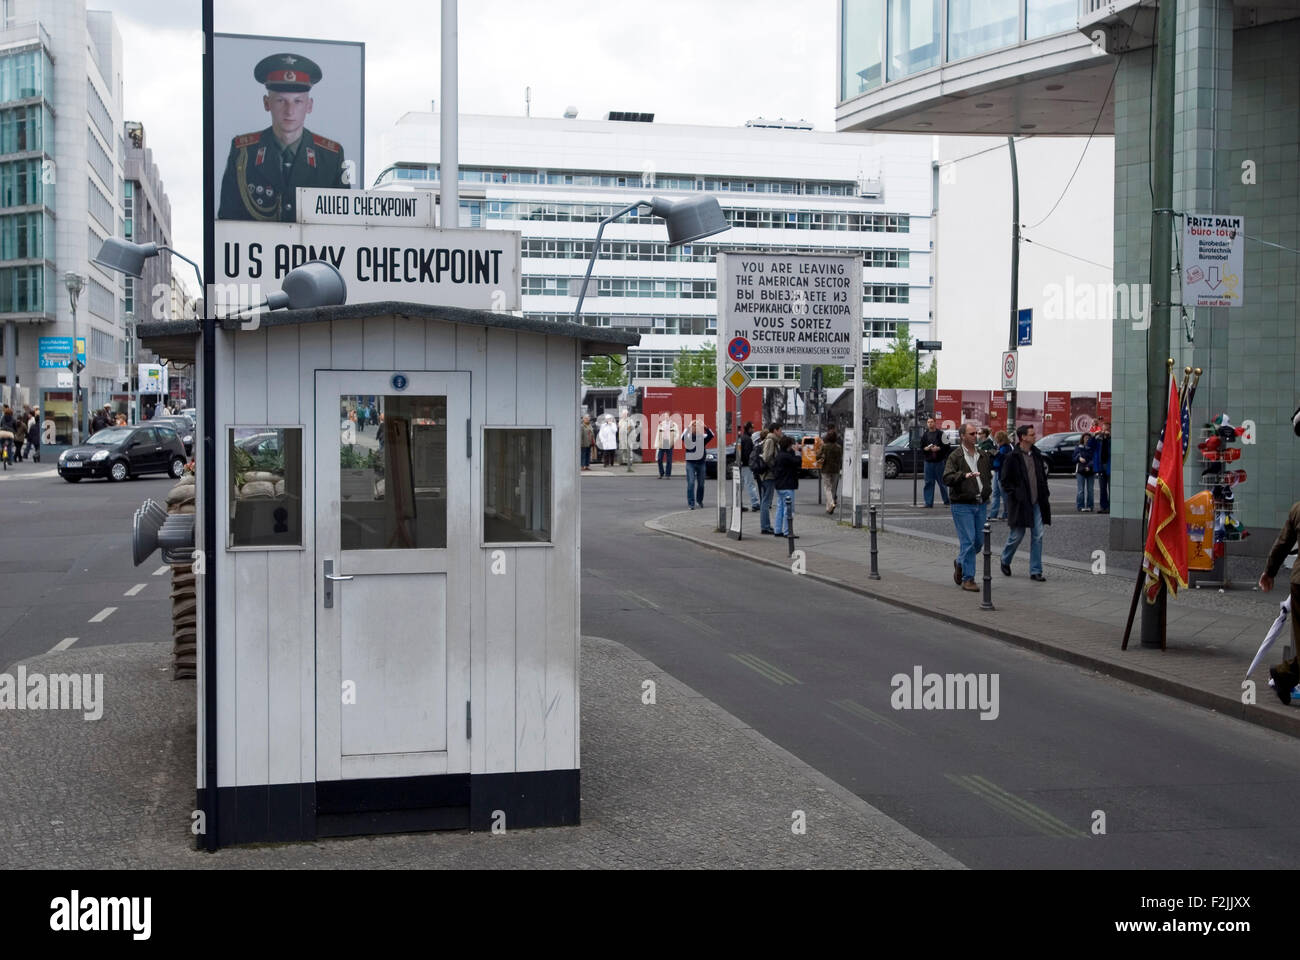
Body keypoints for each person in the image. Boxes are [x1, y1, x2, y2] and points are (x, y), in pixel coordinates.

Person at [218, 53, 349, 222]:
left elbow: (344, 222)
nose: (289, 111)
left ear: (309, 106)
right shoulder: (243, 152)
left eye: (298, 101)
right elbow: (228, 220)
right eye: (281, 100)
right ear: (267, 103)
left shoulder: (331, 157)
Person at [1258, 501, 1300, 703]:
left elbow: (1283, 543)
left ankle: (1284, 676)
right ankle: (1283, 676)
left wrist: (1270, 571)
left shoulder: (1297, 509)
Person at [944, 422, 993, 592]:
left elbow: (987, 476)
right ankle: (968, 579)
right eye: (972, 434)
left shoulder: (983, 455)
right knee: (969, 541)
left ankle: (960, 562)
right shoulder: (955, 456)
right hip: (962, 503)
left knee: (978, 543)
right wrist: (963, 476)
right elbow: (947, 477)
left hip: (980, 503)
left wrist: (988, 489)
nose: (976, 436)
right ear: (963, 436)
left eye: (977, 433)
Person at [999, 424, 1052, 581]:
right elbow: (1005, 481)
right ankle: (1005, 559)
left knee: (1038, 535)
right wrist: (1016, 494)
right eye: (1031, 434)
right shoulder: (1012, 457)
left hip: (1037, 502)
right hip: (1021, 503)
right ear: (1023, 437)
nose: (1034, 436)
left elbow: (1041, 476)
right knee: (1017, 535)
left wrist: (1045, 492)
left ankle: (1035, 571)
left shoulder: (1036, 455)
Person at [771, 434, 802, 537]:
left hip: (780, 485)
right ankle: (787, 531)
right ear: (789, 445)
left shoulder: (780, 455)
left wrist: (793, 451)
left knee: (780, 508)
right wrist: (797, 451)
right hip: (787, 485)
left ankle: (778, 529)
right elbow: (797, 462)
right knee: (789, 510)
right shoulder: (786, 457)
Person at [681, 418, 714, 510]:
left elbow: (711, 435)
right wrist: (688, 426)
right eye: (694, 426)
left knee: (701, 484)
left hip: (701, 463)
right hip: (690, 463)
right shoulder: (688, 437)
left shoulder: (702, 437)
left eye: (697, 426)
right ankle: (691, 504)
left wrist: (705, 426)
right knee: (691, 483)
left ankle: (699, 501)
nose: (695, 428)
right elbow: (682, 436)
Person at [920, 417, 951, 508]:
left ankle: (946, 501)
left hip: (939, 462)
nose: (930, 424)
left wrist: (939, 448)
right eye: (928, 422)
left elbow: (948, 446)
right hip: (928, 462)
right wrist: (926, 449)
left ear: (935, 423)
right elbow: (921, 447)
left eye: (931, 422)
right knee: (928, 483)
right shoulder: (925, 435)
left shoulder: (941, 434)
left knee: (942, 482)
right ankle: (928, 503)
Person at [817, 427, 844, 515]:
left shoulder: (824, 446)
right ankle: (829, 508)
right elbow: (840, 458)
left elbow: (818, 456)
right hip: (836, 469)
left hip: (826, 469)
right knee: (833, 489)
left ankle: (831, 503)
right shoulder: (838, 447)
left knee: (827, 487)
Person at [737, 421, 760, 512]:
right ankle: (755, 503)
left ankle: (738, 504)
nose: (753, 430)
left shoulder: (741, 438)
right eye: (752, 428)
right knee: (750, 484)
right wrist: (751, 464)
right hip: (746, 465)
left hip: (740, 464)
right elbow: (747, 454)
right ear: (749, 429)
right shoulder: (748, 439)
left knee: (740, 485)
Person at [989, 430, 1011, 521]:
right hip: (998, 471)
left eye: (997, 437)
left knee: (1004, 494)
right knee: (995, 493)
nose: (996, 439)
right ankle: (993, 514)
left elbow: (1003, 458)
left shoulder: (1006, 447)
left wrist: (995, 454)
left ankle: (1007, 514)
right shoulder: (1001, 446)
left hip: (1002, 472)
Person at [1074, 430, 1097, 512]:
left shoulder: (1092, 448)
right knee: (1081, 490)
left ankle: (1090, 506)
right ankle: (1080, 506)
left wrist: (1089, 466)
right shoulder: (1078, 447)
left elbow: (1094, 458)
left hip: (1090, 471)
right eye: (1085, 438)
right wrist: (1078, 458)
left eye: (1088, 438)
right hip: (1080, 471)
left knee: (1090, 490)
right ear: (1082, 439)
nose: (1087, 439)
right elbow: (1074, 458)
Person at [1094, 420, 1111, 514]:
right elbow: (1090, 446)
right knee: (1102, 489)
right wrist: (1094, 435)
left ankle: (1111, 508)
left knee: (1111, 489)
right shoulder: (1098, 439)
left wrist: (1109, 437)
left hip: (1109, 466)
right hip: (1101, 466)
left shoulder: (1112, 439)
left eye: (1107, 428)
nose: (1105, 430)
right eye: (1103, 428)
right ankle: (1103, 507)